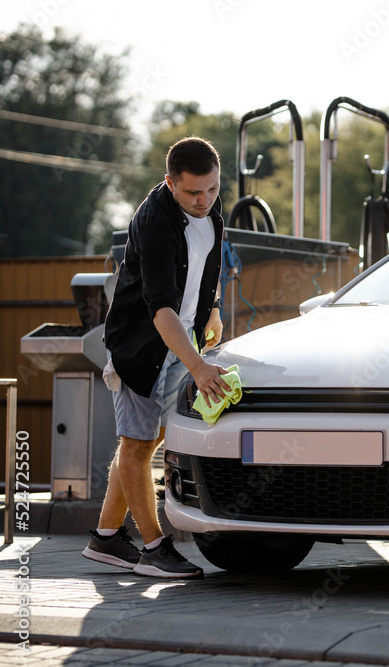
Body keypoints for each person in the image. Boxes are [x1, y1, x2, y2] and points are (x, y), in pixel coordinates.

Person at [82, 137, 231, 579]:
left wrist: (214, 309)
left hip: (180, 344)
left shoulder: (209, 208)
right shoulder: (154, 222)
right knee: (136, 444)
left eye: (212, 189)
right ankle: (153, 548)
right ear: (170, 182)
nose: (204, 200)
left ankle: (106, 539)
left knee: (147, 442)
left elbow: (207, 267)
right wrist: (198, 366)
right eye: (192, 193)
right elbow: (161, 309)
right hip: (142, 347)